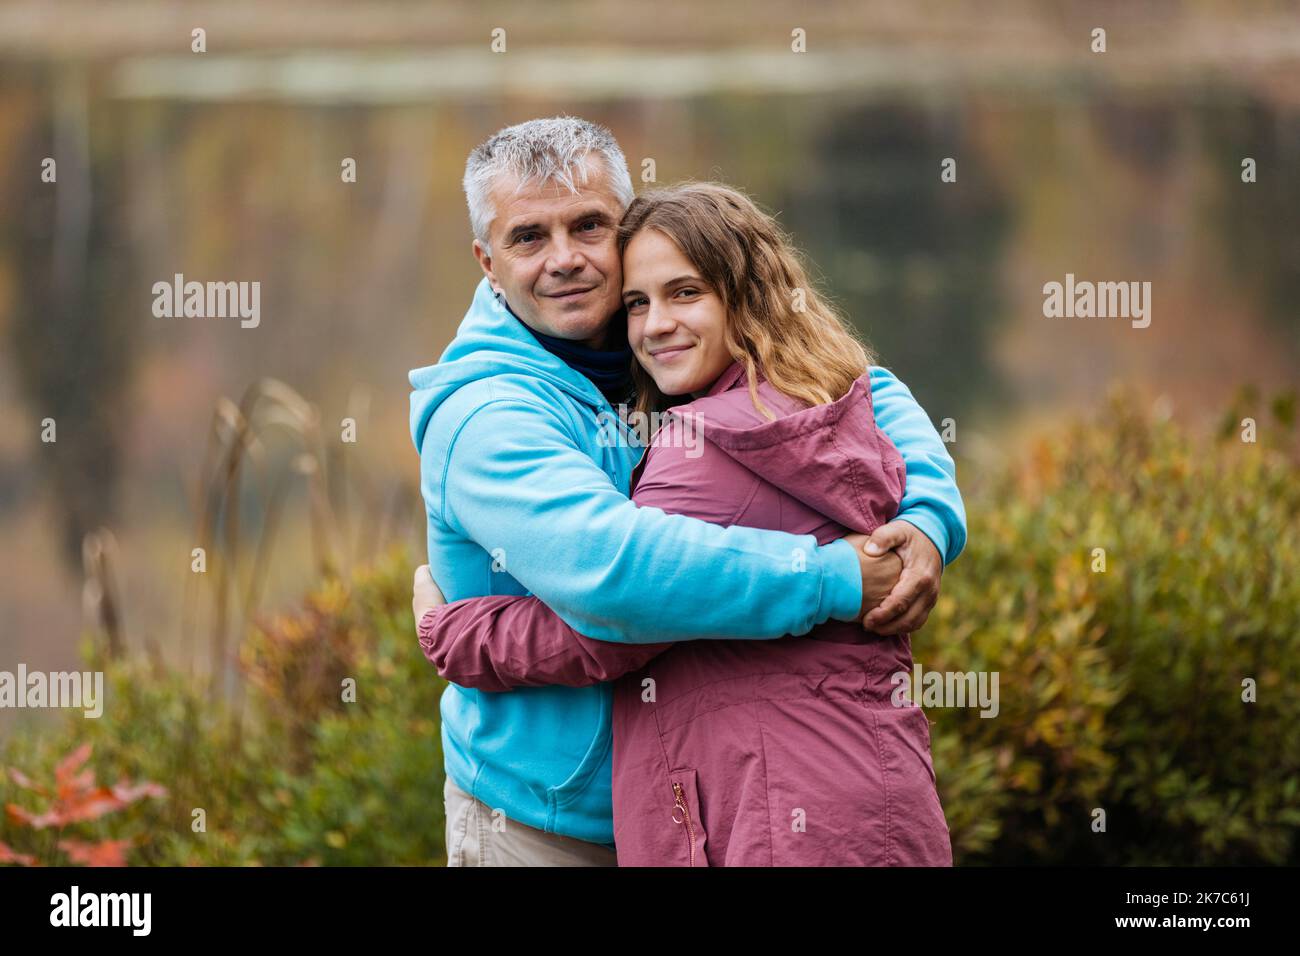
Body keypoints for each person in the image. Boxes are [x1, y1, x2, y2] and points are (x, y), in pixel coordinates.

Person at [409, 117, 965, 866]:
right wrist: (835, 576)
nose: (565, 259)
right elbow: (619, 578)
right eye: (528, 237)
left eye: (589, 225)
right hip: (543, 825)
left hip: (698, 803)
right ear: (487, 261)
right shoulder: (490, 415)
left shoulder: (673, 358)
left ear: (628, 228)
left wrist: (928, 519)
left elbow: (868, 390)